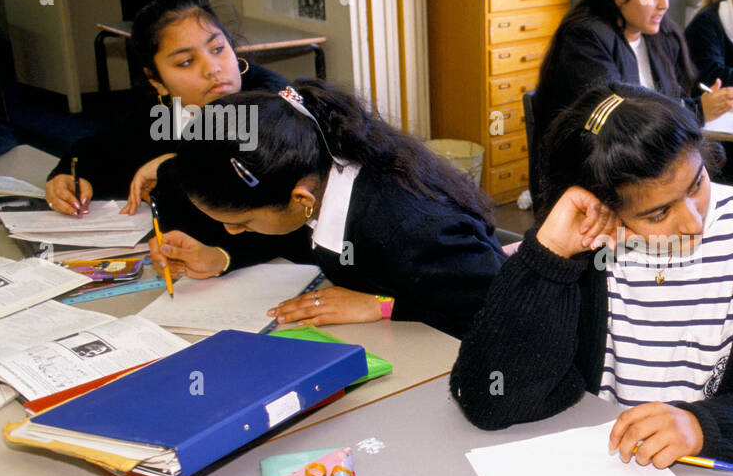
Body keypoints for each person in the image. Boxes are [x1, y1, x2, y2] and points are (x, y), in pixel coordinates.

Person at [450, 83, 733, 476]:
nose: (694, 222)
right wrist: (549, 257)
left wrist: (704, 427)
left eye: (697, 184)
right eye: (658, 213)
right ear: (600, 206)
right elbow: (490, 402)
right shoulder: (588, 247)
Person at [149, 79, 505, 336]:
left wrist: (381, 305)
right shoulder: (318, 170)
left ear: (300, 199)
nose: (233, 231)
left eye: (243, 222)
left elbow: (503, 304)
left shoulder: (408, 228)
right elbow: (286, 236)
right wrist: (220, 257)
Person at [530, 0, 733, 215]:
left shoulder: (660, 35)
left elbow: (668, 99)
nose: (665, 4)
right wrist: (697, 110)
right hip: (595, 178)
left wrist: (698, 104)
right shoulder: (584, 38)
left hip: (646, 171)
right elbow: (616, 119)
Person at [45, 0, 286, 216]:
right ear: (157, 81)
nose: (213, 68)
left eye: (218, 49)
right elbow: (97, 152)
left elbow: (251, 171)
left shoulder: (273, 99)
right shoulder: (162, 109)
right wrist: (67, 177)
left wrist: (175, 165)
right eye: (187, 62)